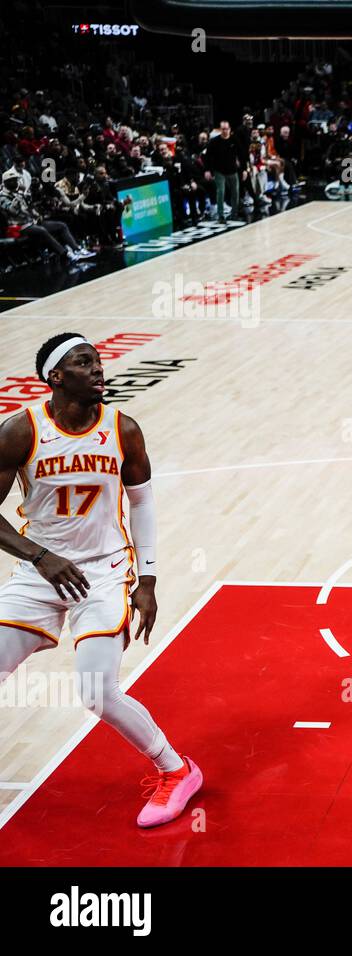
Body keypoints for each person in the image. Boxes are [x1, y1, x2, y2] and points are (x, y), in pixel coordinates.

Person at [0, 333, 202, 828]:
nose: (98, 369)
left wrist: (148, 579)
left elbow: (143, 502)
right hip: (39, 570)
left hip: (104, 571)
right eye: (84, 363)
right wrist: (39, 555)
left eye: (97, 360)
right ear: (56, 378)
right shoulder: (19, 432)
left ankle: (177, 770)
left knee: (96, 692)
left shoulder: (123, 429)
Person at [1, 167, 93, 263]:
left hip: (32, 223)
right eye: (12, 181)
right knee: (42, 230)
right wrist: (20, 197)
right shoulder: (3, 196)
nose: (15, 182)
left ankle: (77, 249)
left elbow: (29, 207)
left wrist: (36, 215)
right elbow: (13, 211)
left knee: (61, 225)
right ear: (6, 182)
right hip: (18, 227)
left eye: (16, 180)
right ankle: (66, 254)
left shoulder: (19, 193)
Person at [203, 120, 243, 223]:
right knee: (220, 192)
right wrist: (207, 170)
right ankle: (220, 215)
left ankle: (234, 214)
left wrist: (244, 169)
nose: (225, 131)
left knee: (235, 192)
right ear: (220, 130)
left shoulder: (234, 140)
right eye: (223, 129)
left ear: (230, 129)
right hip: (219, 171)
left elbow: (242, 155)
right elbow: (207, 156)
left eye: (226, 129)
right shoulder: (214, 141)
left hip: (232, 170)